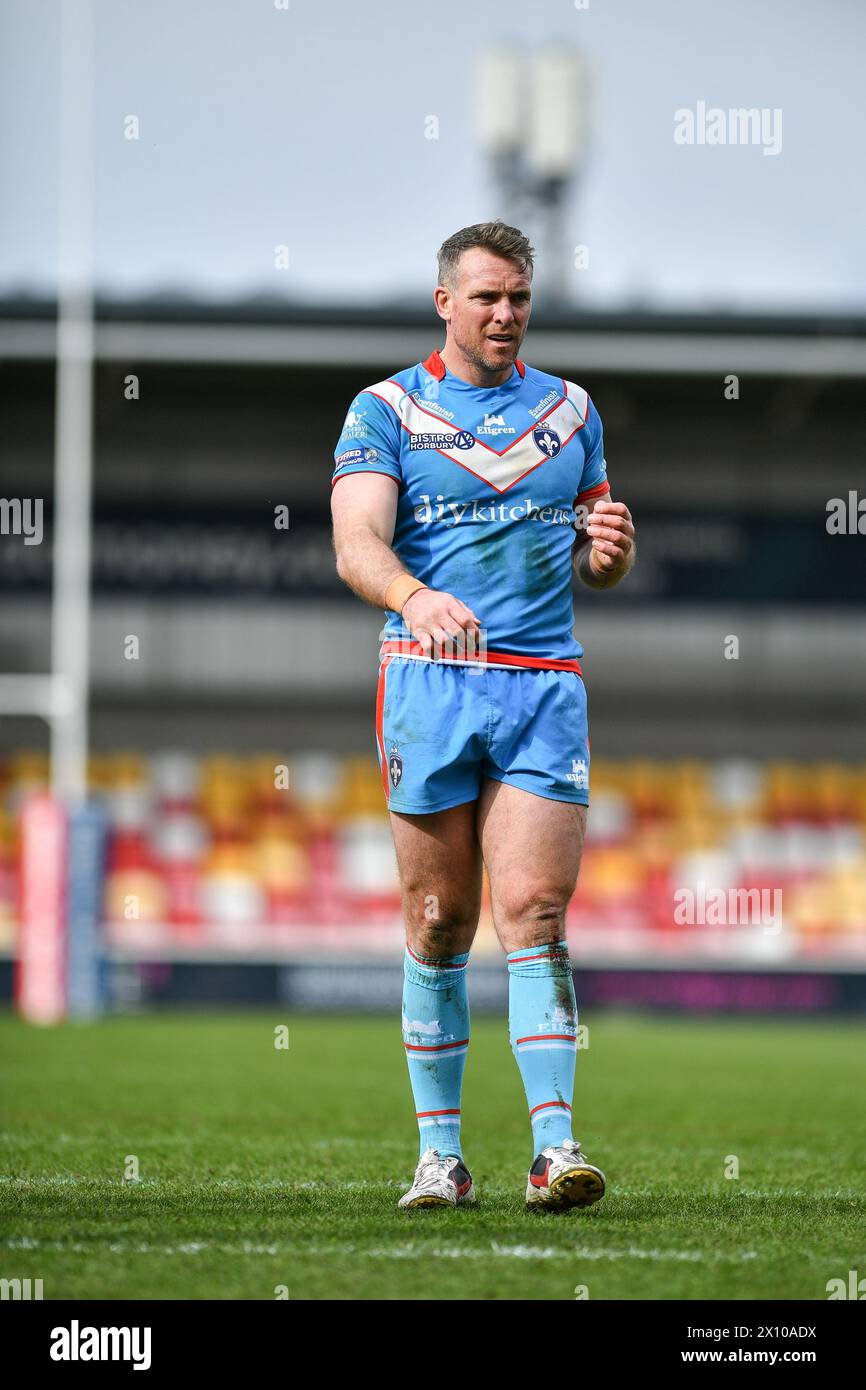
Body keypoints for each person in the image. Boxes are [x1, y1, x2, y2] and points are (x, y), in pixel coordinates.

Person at [330, 221, 635, 1211]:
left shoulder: (569, 410)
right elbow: (356, 545)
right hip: (428, 680)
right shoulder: (384, 411)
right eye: (485, 297)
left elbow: (595, 556)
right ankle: (440, 1158)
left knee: (537, 915)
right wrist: (413, 596)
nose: (503, 314)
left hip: (543, 681)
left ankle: (553, 1150)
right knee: (438, 917)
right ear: (443, 303)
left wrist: (609, 552)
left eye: (517, 297)